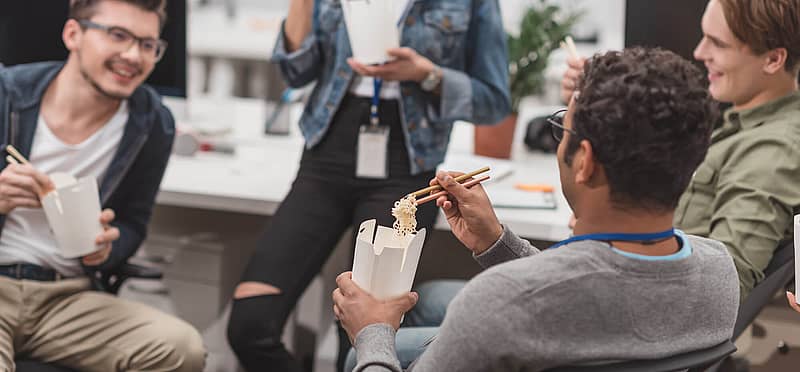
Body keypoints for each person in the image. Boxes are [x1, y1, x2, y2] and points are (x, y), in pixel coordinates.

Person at [333, 47, 740, 371]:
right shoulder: (718, 272)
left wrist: (372, 331)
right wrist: (497, 243)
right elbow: (584, 299)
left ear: (585, 161)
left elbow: (552, 294)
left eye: (563, 127)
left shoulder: (499, 302)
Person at [225, 0, 510, 370]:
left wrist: (425, 74)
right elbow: (294, 72)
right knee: (249, 326)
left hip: (406, 163)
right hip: (326, 154)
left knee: (362, 338)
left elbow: (494, 102)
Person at [0, 0, 205, 370]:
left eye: (147, 45)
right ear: (73, 34)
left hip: (66, 298)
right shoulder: (6, 94)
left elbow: (133, 225)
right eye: (118, 36)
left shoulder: (152, 123)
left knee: (181, 348)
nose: (133, 55)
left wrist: (107, 248)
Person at [561, 0, 800, 300]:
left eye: (717, 43)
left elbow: (725, 285)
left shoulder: (772, 150)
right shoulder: (744, 124)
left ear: (774, 59)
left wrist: (613, 232)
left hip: (645, 314)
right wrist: (596, 102)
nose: (700, 53)